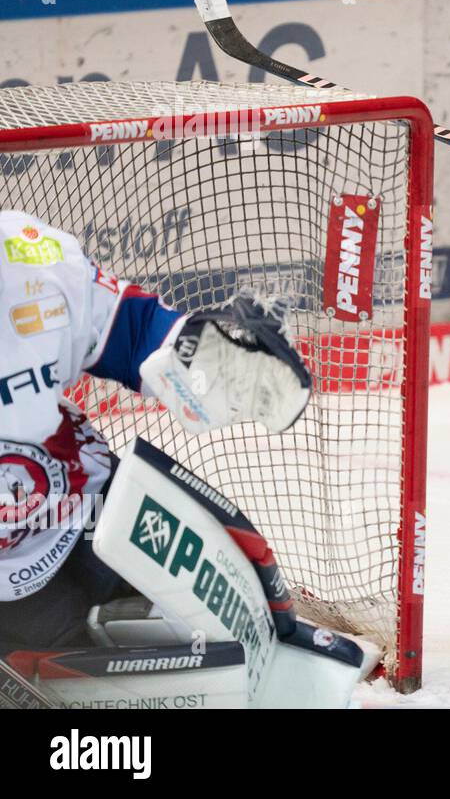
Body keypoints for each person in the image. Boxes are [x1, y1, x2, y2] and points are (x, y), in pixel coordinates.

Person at [0, 209, 310, 650]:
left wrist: (206, 350)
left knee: (237, 627)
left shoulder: (29, 259)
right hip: (11, 591)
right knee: (79, 681)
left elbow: (133, 330)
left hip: (90, 505)